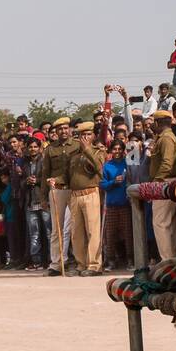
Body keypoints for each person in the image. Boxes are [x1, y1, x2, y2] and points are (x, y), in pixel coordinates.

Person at [65, 121, 105, 275]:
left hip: (90, 193)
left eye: (88, 134)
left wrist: (88, 149)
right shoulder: (74, 154)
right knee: (76, 232)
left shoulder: (98, 151)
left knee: (92, 231)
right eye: (82, 135)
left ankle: (94, 265)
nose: (85, 138)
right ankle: (81, 264)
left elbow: (98, 168)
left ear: (93, 136)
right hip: (75, 195)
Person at [42, 116, 76, 275]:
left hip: (75, 189)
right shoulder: (50, 149)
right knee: (57, 229)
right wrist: (43, 197)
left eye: (65, 128)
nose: (63, 131)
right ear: (55, 132)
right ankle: (56, 263)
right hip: (57, 191)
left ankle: (79, 261)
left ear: (69, 129)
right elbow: (45, 174)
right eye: (60, 129)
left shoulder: (77, 145)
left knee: (77, 227)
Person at [149, 109, 176, 258]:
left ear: (157, 122)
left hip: (164, 183)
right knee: (171, 225)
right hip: (168, 183)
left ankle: (166, 261)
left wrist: (156, 183)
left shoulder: (166, 138)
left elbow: (167, 163)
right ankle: (174, 260)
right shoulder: (164, 137)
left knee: (160, 223)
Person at [101, 140, 134, 271]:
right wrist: (113, 182)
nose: (117, 152)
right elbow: (103, 185)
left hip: (125, 204)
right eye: (114, 149)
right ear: (110, 150)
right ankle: (110, 261)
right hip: (111, 205)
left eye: (120, 149)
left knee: (128, 234)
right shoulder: (107, 166)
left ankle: (130, 260)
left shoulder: (128, 164)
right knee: (110, 234)